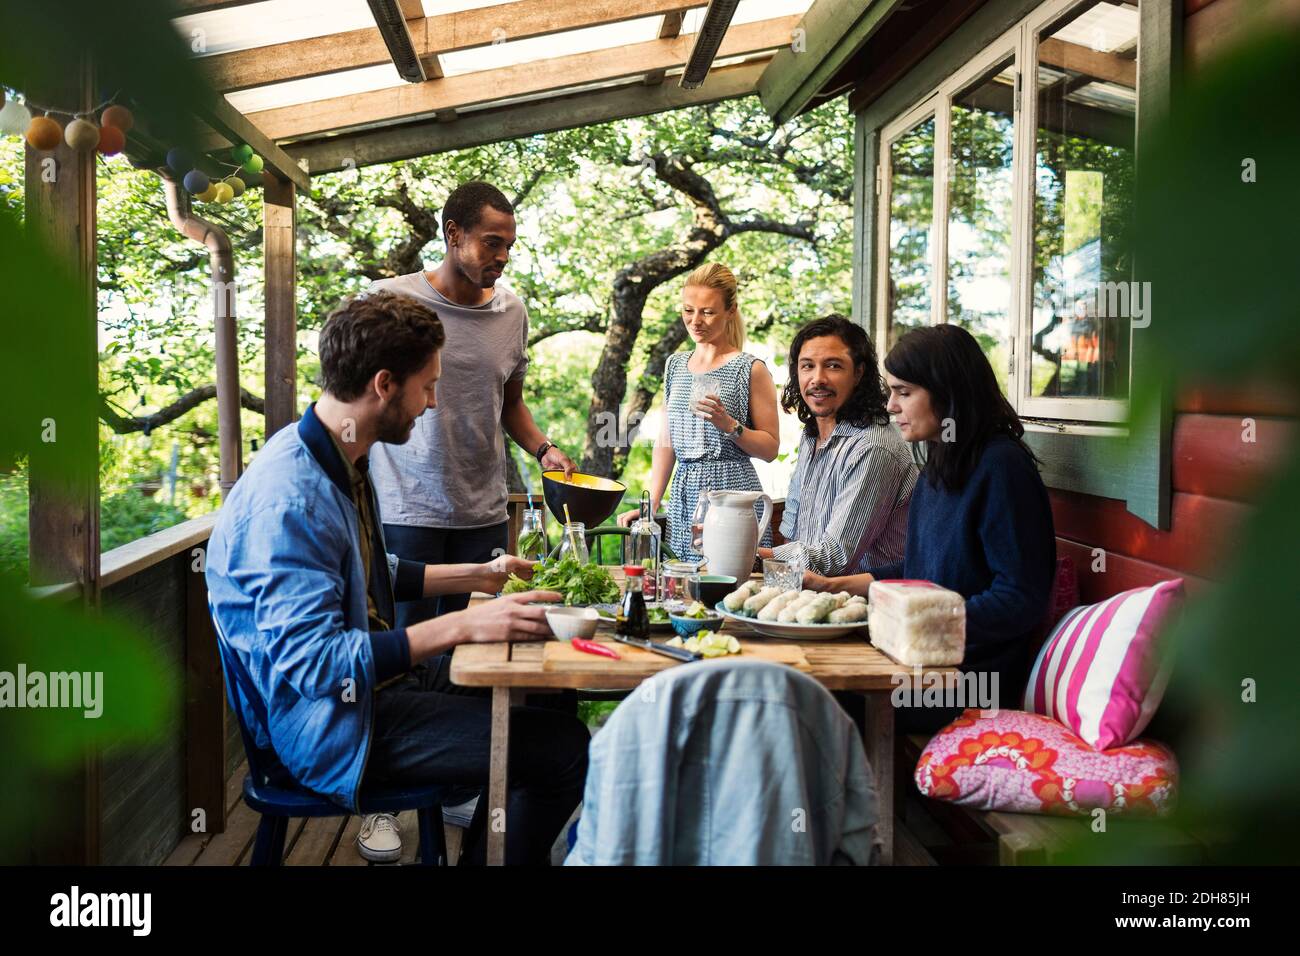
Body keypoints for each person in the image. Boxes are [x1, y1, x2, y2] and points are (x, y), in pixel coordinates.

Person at [205, 291, 588, 865]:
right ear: (384, 384)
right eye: (428, 387)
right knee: (562, 749)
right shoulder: (290, 499)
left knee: (550, 697)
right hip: (329, 726)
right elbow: (315, 665)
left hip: (372, 694)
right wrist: (465, 626)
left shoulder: (335, 452)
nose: (433, 404)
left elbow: (363, 570)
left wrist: (483, 576)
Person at [804, 324, 1057, 729]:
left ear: (948, 391)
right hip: (920, 663)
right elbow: (922, 572)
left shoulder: (1001, 468)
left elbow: (1019, 598)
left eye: (904, 392)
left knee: (824, 700)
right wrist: (841, 585)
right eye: (891, 392)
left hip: (974, 681)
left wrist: (917, 625)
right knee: (804, 679)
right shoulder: (937, 467)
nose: (891, 406)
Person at [367, 181, 576, 627]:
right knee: (413, 651)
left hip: (483, 516)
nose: (502, 256)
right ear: (453, 233)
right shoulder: (389, 300)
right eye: (491, 243)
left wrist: (544, 449)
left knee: (479, 643)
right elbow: (353, 392)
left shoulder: (512, 312)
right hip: (408, 509)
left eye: (509, 247)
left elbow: (509, 402)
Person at [617, 262, 779, 562]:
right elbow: (667, 441)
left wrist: (729, 424)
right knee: (683, 589)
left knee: (729, 585)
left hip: (733, 497)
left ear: (731, 311)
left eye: (707, 311)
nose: (695, 321)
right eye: (688, 310)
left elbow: (770, 448)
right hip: (684, 494)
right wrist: (652, 501)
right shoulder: (675, 365)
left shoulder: (751, 369)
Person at [757, 314, 916, 575]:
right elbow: (791, 531)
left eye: (833, 366)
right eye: (807, 366)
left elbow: (835, 557)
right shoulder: (812, 433)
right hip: (808, 593)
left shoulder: (872, 447)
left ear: (858, 373)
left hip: (865, 605)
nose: (817, 379)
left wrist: (751, 556)